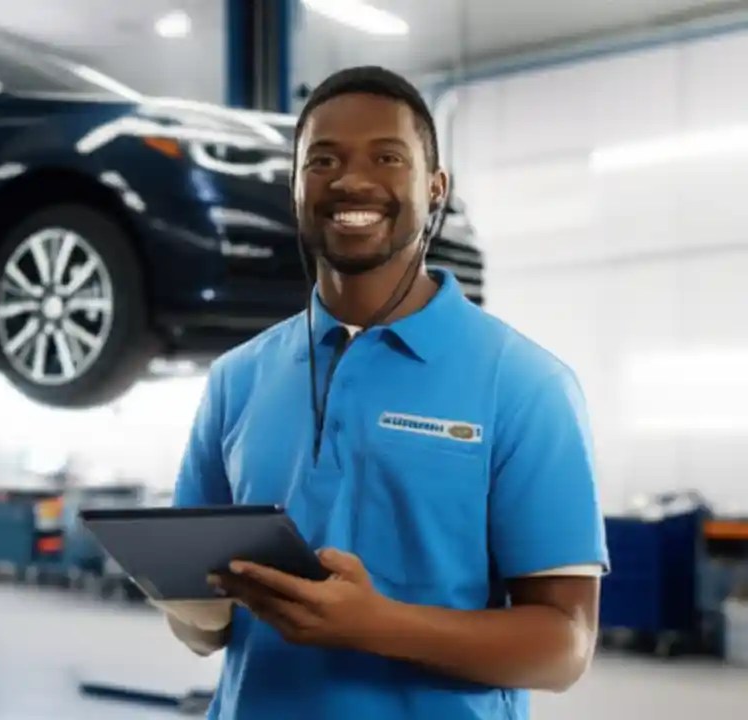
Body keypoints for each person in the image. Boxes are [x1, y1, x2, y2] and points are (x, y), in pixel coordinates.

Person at [155, 66, 610, 719]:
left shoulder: (524, 384)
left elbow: (564, 644)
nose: (352, 180)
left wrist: (375, 625)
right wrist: (194, 614)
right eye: (324, 160)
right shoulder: (237, 378)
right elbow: (204, 616)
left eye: (387, 156)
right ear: (295, 188)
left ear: (435, 189)